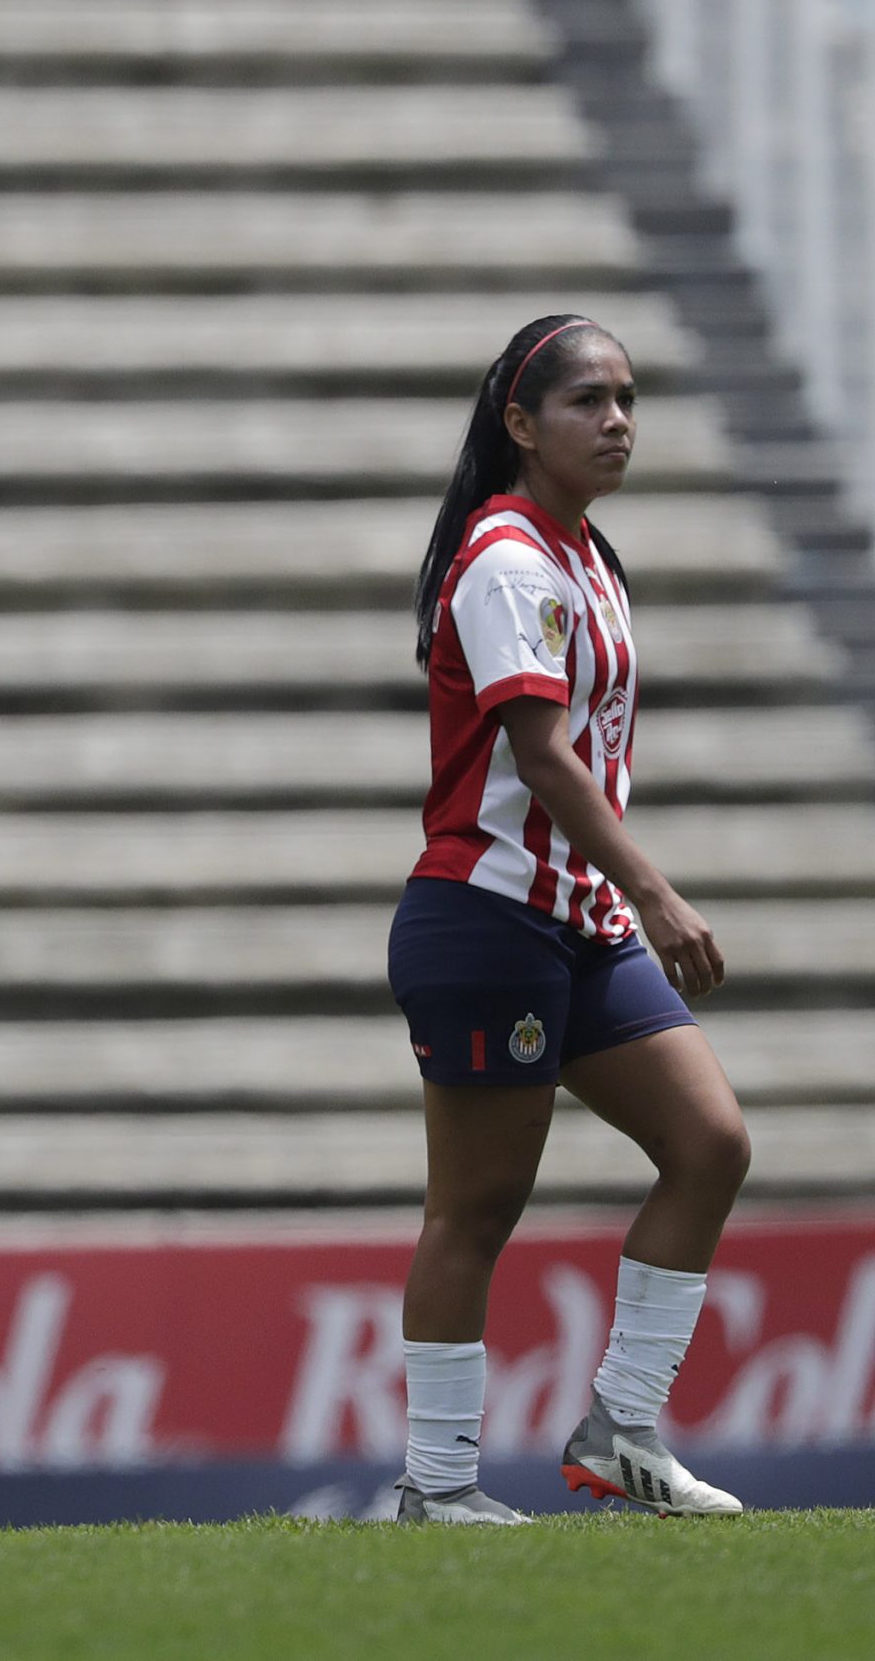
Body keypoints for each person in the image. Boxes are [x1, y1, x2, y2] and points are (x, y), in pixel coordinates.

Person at [388, 315, 750, 1523]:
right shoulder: (507, 559)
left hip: (571, 920)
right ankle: (437, 1487)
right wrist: (655, 893)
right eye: (588, 400)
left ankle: (621, 1431)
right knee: (476, 1209)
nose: (617, 422)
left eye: (628, 400)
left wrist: (619, 899)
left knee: (709, 1144)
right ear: (520, 423)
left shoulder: (586, 555)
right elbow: (540, 758)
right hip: (488, 917)